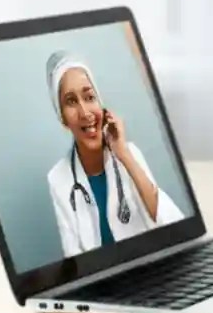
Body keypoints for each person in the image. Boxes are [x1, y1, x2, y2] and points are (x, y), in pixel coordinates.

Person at [45, 51, 184, 257]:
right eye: (71, 101)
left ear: (101, 105)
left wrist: (124, 155)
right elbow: (73, 258)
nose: (85, 112)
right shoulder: (58, 179)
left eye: (89, 97)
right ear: (62, 117)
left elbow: (171, 226)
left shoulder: (130, 154)